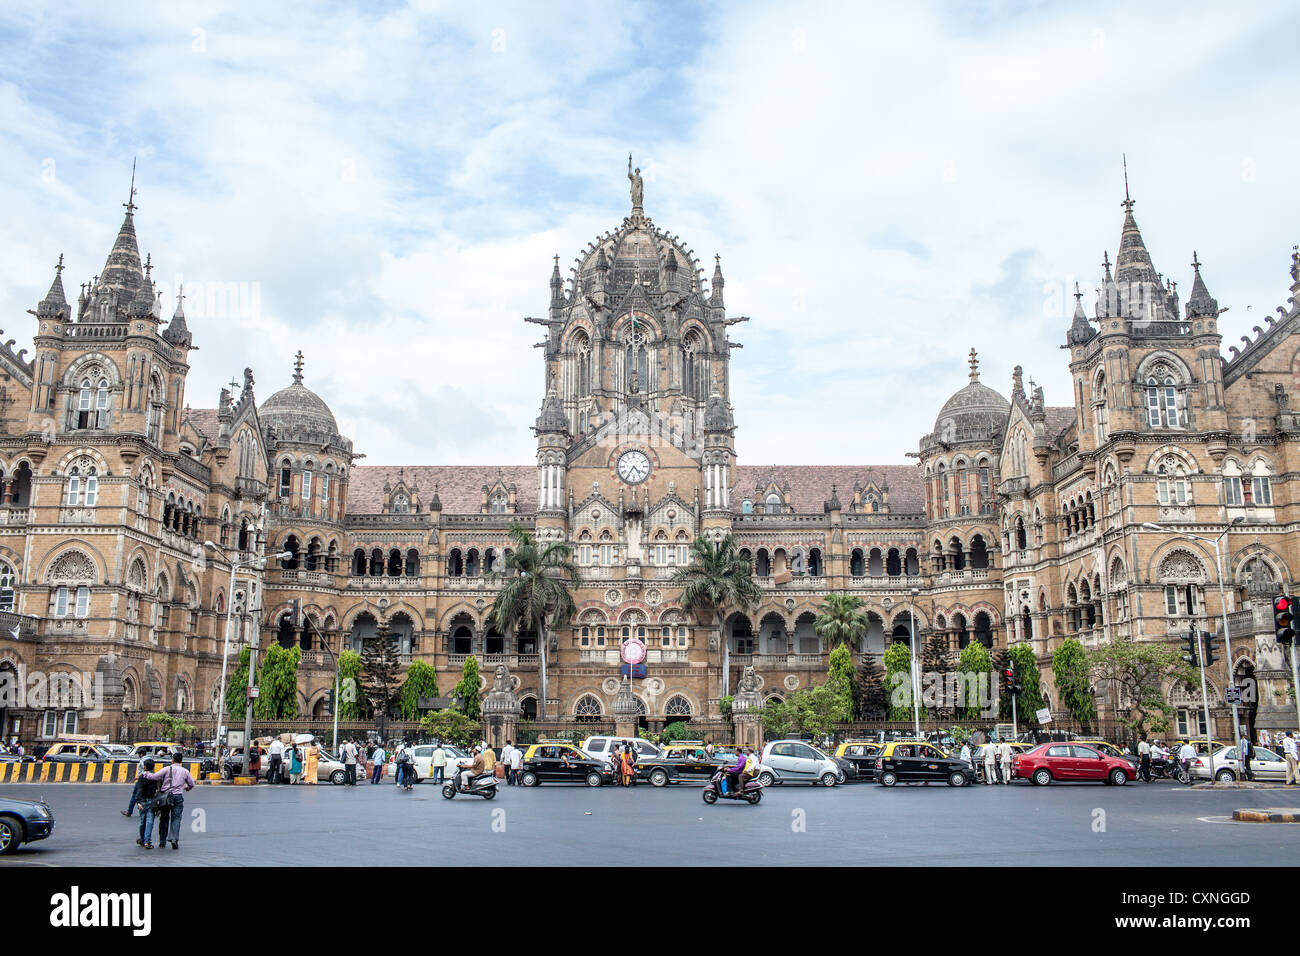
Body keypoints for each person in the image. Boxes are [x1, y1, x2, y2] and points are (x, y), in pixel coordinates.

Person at [141, 752, 195, 851]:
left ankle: (162, 842)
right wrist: (187, 787)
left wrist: (145, 774)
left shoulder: (167, 769)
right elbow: (192, 783)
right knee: (176, 819)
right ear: (181, 761)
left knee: (164, 818)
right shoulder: (185, 771)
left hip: (165, 797)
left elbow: (155, 777)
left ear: (173, 760)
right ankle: (174, 839)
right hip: (178, 796)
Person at [134, 757, 159, 848]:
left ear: (145, 767)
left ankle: (142, 839)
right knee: (149, 822)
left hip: (143, 801)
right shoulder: (155, 777)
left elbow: (139, 790)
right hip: (151, 801)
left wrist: (138, 802)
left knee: (142, 822)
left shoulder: (142, 777)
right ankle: (147, 841)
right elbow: (158, 790)